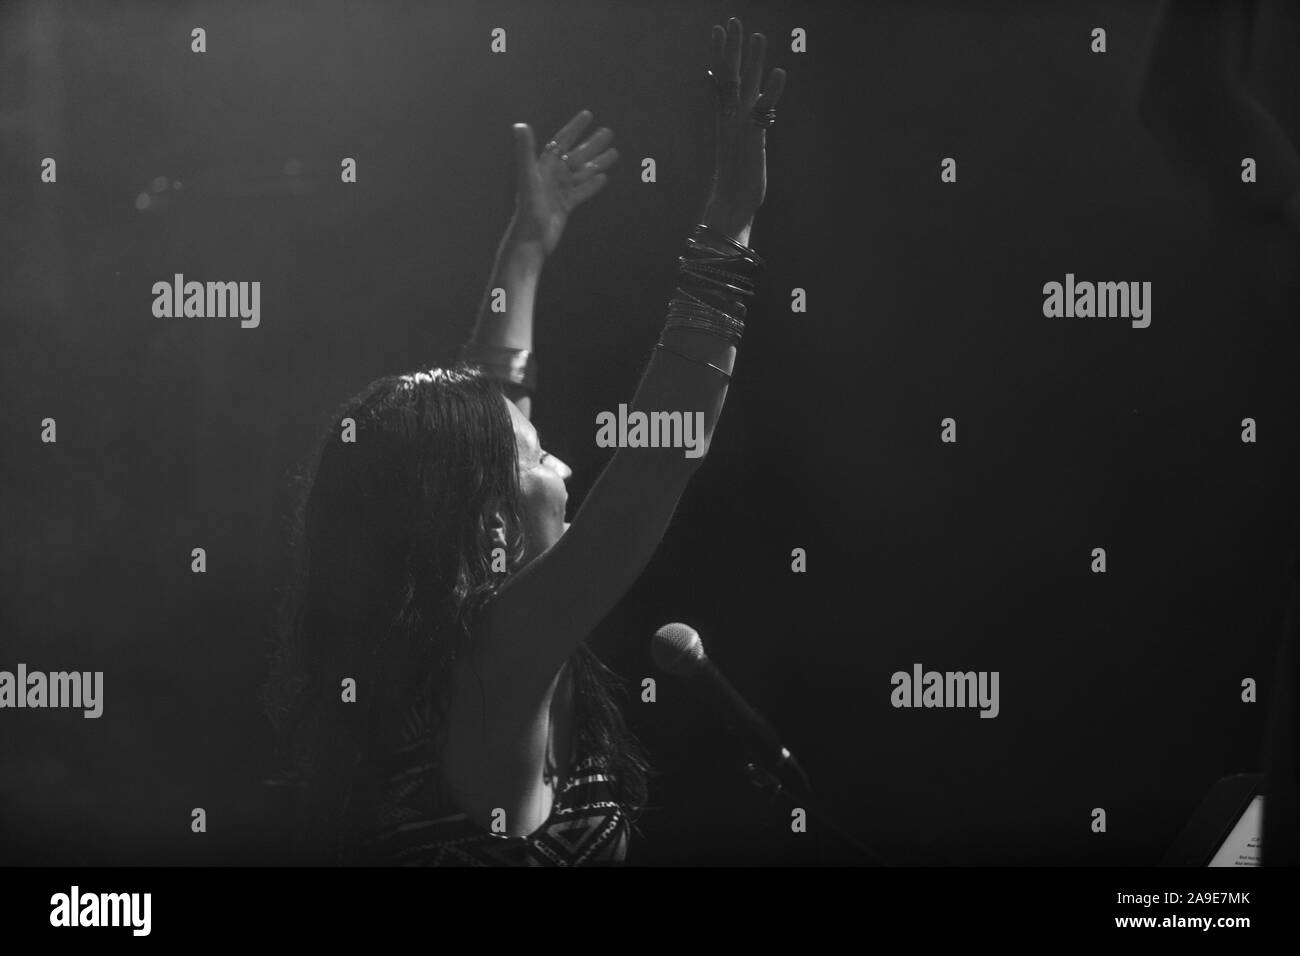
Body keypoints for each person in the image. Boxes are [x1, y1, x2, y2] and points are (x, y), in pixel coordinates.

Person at [264, 17, 787, 865]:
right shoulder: (488, 665)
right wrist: (729, 221)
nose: (565, 463)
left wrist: (530, 241)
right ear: (484, 524)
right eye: (537, 455)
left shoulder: (447, 654)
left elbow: (491, 386)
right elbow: (657, 465)